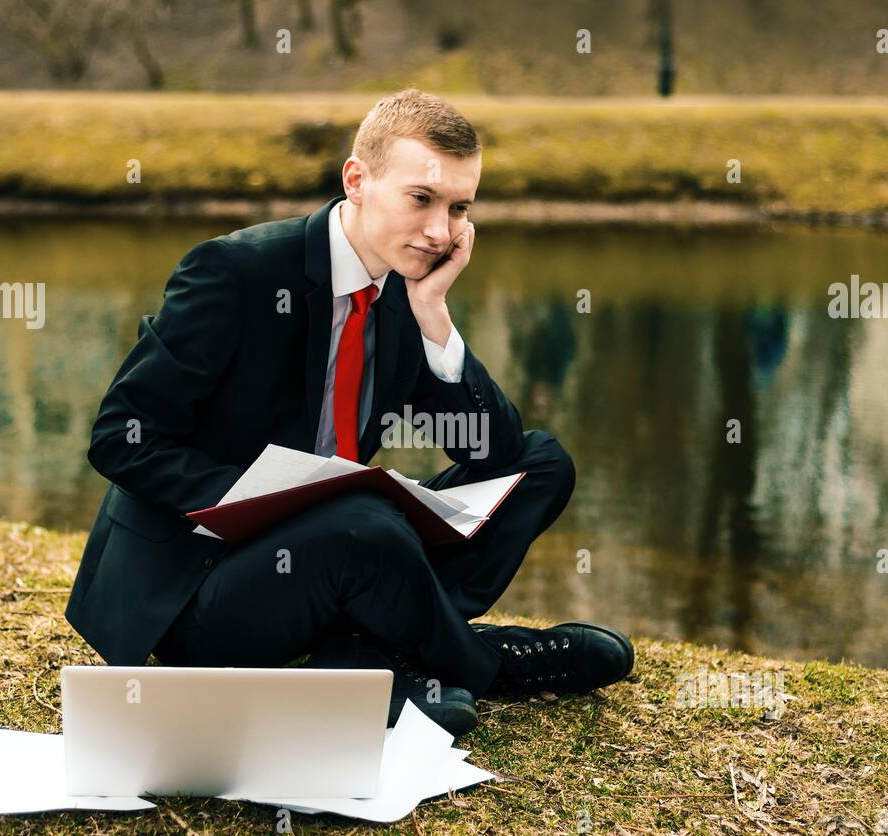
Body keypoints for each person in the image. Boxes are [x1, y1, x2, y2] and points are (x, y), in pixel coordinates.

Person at [64, 88, 633, 737]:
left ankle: (374, 653)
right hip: (199, 591)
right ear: (357, 181)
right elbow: (120, 437)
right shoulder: (235, 273)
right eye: (422, 199)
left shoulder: (401, 296)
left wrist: (435, 319)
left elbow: (494, 452)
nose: (440, 231)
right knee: (363, 523)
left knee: (540, 465)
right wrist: (270, 498)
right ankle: (487, 662)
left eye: (458, 208)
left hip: (335, 559)